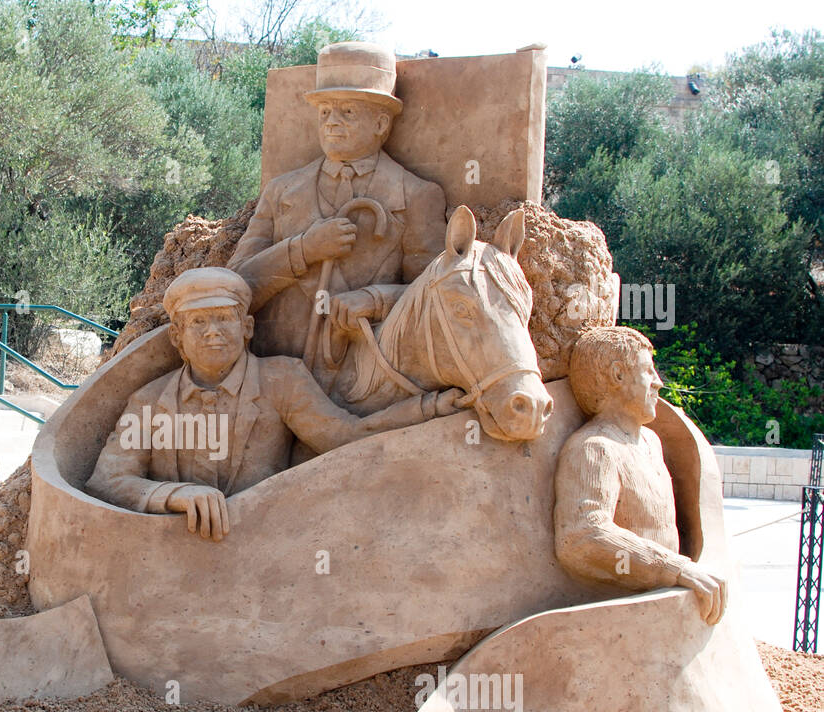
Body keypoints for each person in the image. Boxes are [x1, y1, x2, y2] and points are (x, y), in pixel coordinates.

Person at [86, 267, 461, 540]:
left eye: (223, 319)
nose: (213, 331)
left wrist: (427, 408)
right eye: (198, 321)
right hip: (173, 556)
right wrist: (172, 495)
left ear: (247, 328)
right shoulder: (149, 401)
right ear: (177, 337)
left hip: (265, 549)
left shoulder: (282, 380)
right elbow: (106, 481)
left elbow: (345, 436)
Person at [226, 41, 447, 397]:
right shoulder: (281, 191)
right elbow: (235, 289)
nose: (332, 122)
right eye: (325, 111)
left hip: (362, 389)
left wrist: (375, 300)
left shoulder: (417, 196)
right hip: (270, 384)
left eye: (347, 111)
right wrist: (302, 251)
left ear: (381, 123)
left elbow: (435, 295)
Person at [554, 326, 727, 625]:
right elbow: (582, 535)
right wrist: (675, 568)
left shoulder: (651, 442)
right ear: (618, 375)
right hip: (620, 619)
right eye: (649, 371)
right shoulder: (595, 448)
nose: (658, 383)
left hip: (663, 612)